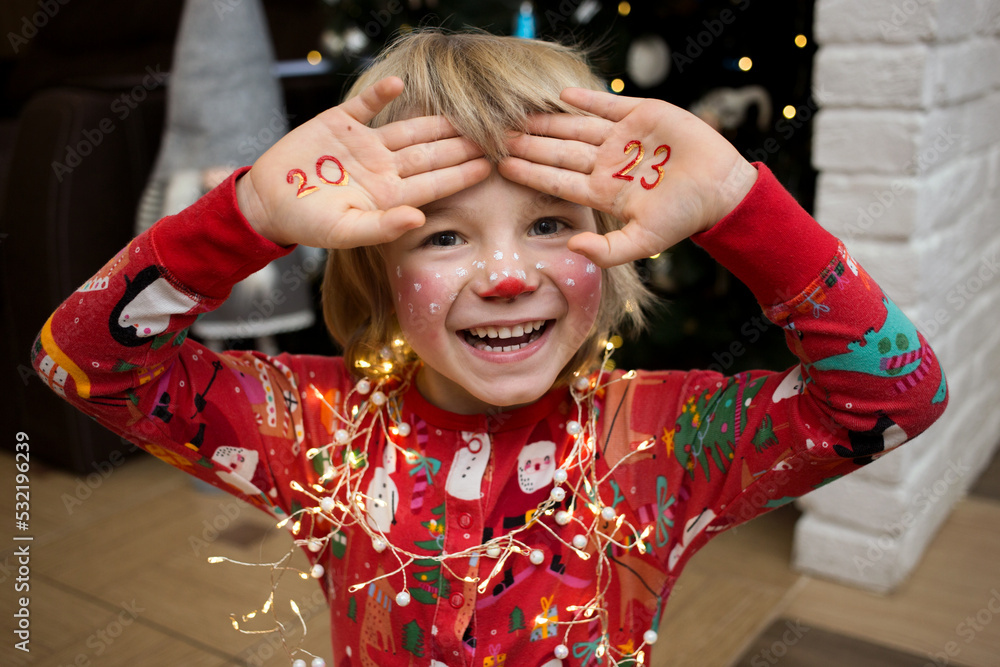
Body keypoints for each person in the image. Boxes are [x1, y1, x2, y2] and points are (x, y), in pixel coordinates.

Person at [33, 29, 947, 667]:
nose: (507, 274)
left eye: (549, 222)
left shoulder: (661, 441)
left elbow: (895, 400)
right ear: (380, 274)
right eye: (443, 236)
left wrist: (747, 212)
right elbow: (84, 361)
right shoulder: (316, 428)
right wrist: (243, 219)